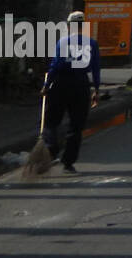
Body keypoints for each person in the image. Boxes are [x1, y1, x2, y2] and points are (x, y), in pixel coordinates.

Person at [42, 11, 101, 174]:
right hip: (81, 84)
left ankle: (51, 149)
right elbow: (95, 69)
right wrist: (96, 89)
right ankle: (68, 162)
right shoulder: (92, 43)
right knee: (76, 125)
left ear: (69, 26)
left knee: (51, 121)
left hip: (61, 83)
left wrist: (47, 84)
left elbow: (55, 66)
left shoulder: (63, 42)